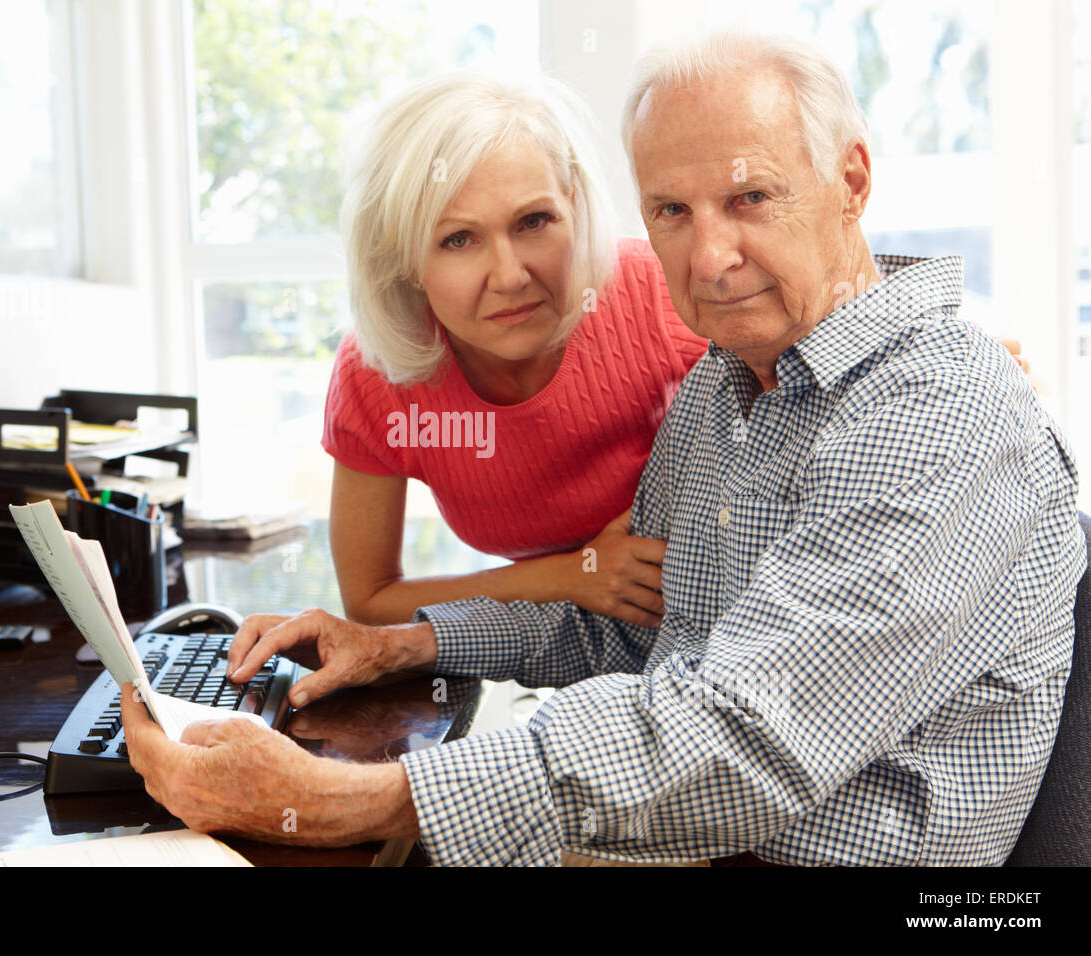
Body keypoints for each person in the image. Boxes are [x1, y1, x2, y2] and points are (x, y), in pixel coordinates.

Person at [121, 29, 1083, 866]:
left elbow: (748, 738)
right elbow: (629, 631)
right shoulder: (722, 385)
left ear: (852, 182)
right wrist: (399, 646)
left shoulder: (935, 407)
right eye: (672, 211)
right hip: (683, 828)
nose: (708, 257)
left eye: (749, 197)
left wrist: (349, 802)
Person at [324, 72, 706, 627]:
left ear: (572, 205)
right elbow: (370, 600)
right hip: (554, 648)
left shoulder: (664, 294)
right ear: (403, 258)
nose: (509, 276)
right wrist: (569, 577)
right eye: (458, 239)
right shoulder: (378, 374)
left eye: (533, 221)